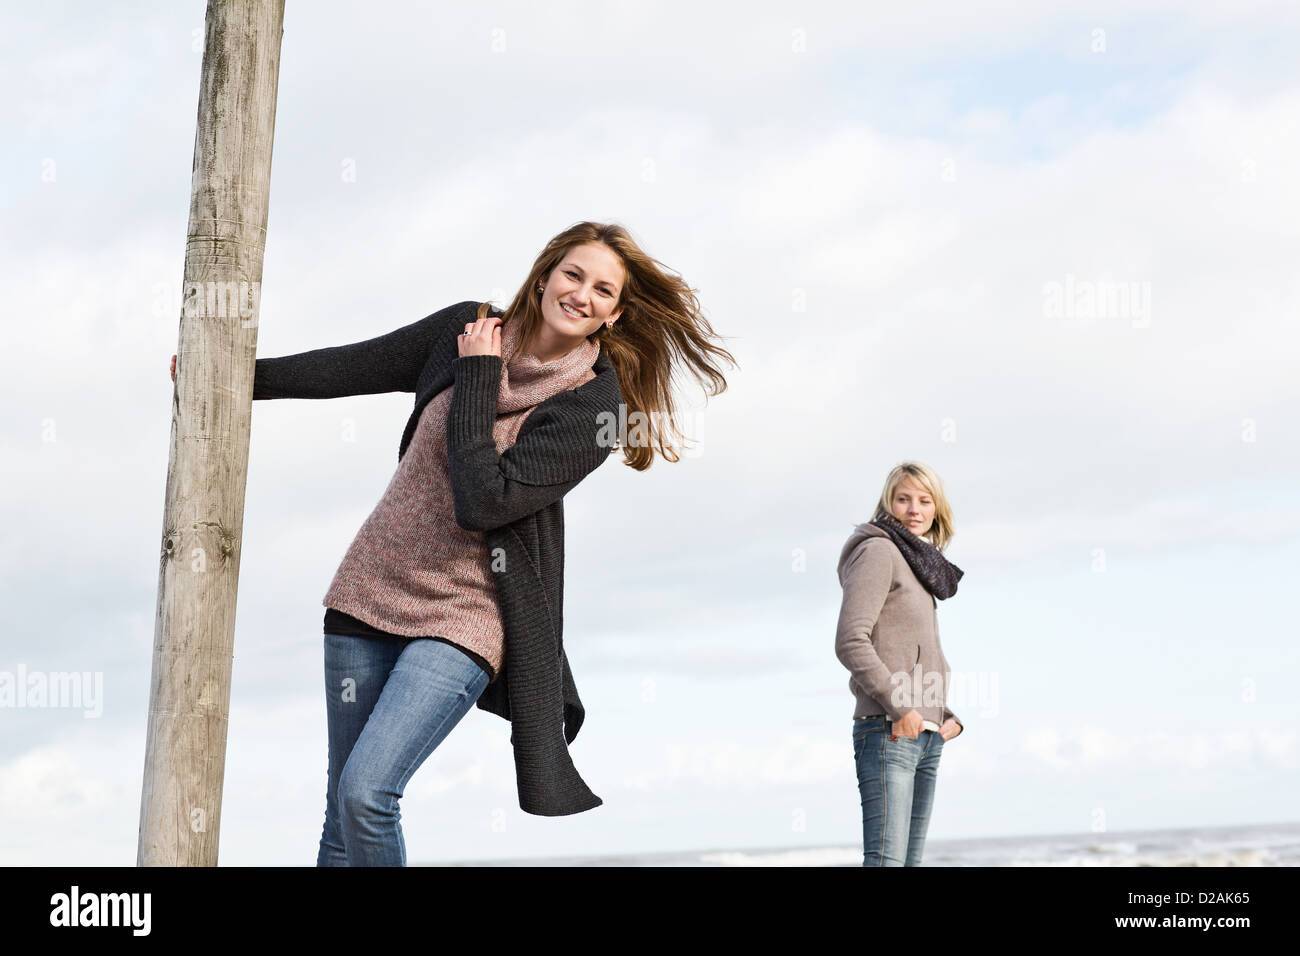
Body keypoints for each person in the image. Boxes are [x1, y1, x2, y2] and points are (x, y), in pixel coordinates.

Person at [170, 221, 735, 865]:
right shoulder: (466, 329)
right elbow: (352, 365)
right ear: (545, 273)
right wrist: (224, 375)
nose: (582, 294)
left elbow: (483, 501)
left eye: (603, 290)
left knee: (367, 793)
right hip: (369, 588)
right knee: (339, 816)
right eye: (574, 275)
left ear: (615, 314)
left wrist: (477, 377)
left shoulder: (592, 408)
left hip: (468, 613)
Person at [834, 461, 965, 866]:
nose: (914, 509)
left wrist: (946, 716)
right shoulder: (878, 552)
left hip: (927, 735)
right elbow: (850, 642)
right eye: (904, 499)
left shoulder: (918, 564)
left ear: (936, 510)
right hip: (889, 729)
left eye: (925, 501)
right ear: (888, 504)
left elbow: (914, 650)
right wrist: (901, 708)